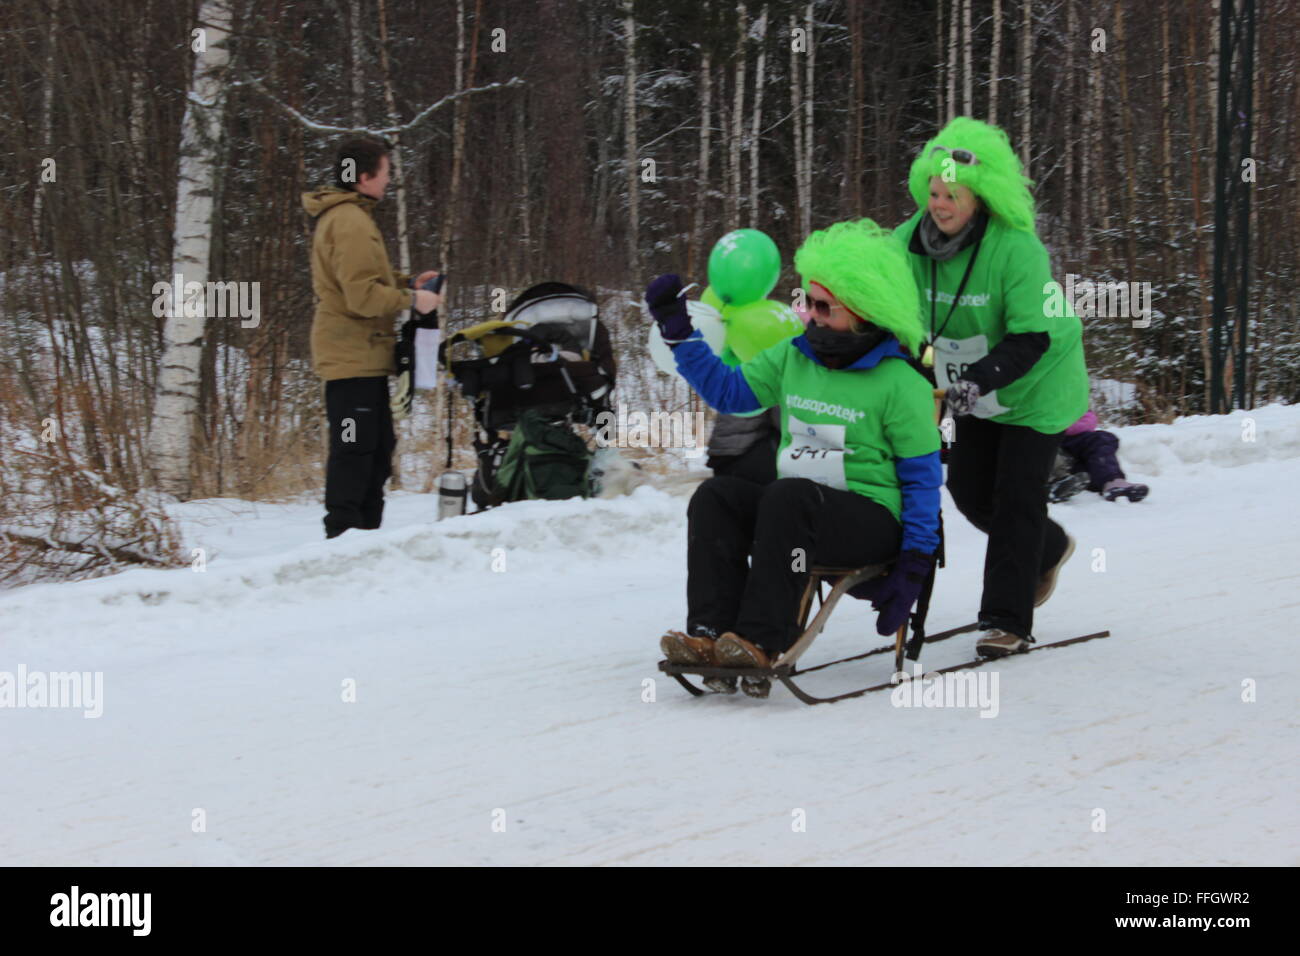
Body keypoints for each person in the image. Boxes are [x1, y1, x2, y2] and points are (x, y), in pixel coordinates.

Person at [646, 220, 942, 693]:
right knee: (717, 495)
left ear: (863, 310)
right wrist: (679, 333)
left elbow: (922, 478)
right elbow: (729, 391)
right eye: (808, 302)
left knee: (789, 496)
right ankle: (708, 633)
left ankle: (761, 640)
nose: (812, 315)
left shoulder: (900, 381)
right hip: (797, 510)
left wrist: (915, 563)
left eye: (825, 306)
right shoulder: (794, 356)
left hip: (869, 520)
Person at [896, 117, 1089, 658]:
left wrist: (974, 383)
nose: (940, 204)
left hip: (1035, 383)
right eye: (933, 192)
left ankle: (1007, 620)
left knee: (1015, 498)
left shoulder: (1017, 250)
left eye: (952, 195)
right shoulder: (909, 244)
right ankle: (1048, 546)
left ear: (980, 197)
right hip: (970, 385)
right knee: (970, 492)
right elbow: (890, 310)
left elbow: (1031, 338)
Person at [302, 137, 442, 539]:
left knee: (376, 453)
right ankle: (342, 540)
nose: (388, 182)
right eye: (385, 174)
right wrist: (415, 298)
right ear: (364, 177)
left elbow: (364, 281)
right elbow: (361, 296)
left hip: (363, 358)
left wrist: (407, 282)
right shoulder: (349, 222)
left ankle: (364, 541)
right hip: (351, 359)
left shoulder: (351, 217)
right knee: (356, 452)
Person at [1060, 410, 1149, 502]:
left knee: (1099, 443)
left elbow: (1088, 418)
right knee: (1097, 442)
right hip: (1054, 444)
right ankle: (1107, 481)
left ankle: (1111, 481)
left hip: (1068, 441)